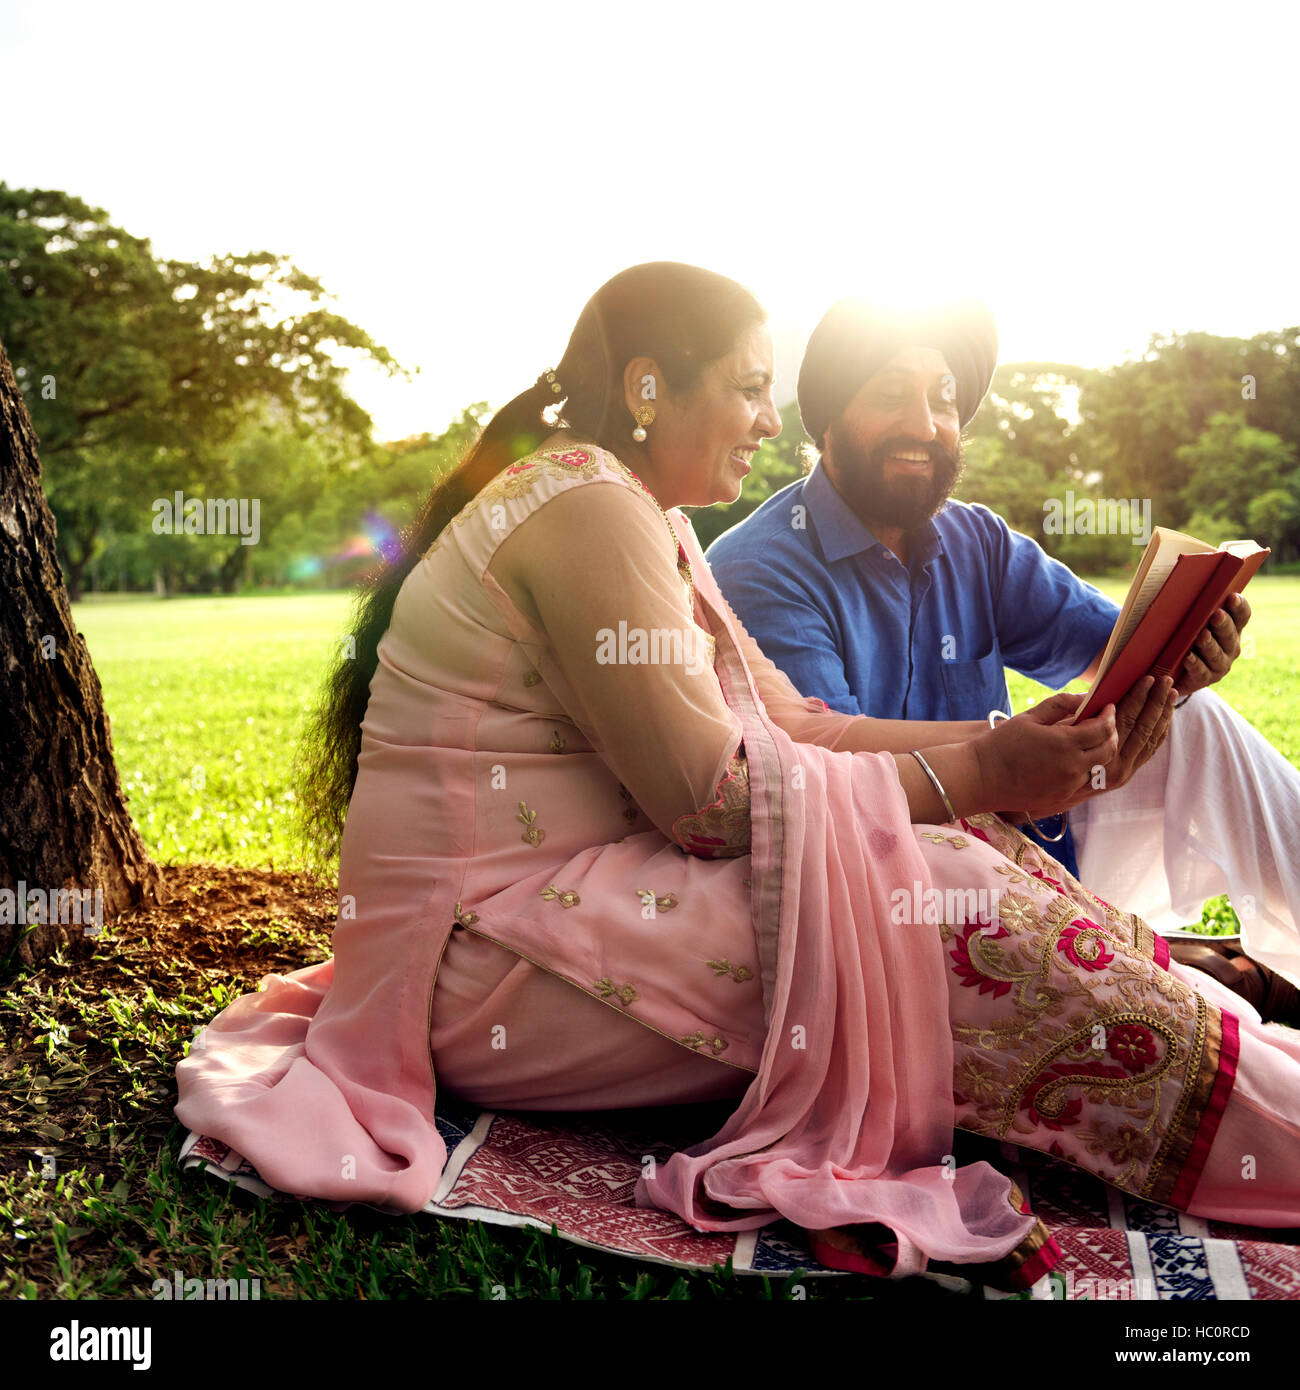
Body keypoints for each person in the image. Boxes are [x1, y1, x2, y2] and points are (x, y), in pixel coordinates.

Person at [174, 264, 1300, 1289]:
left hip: (560, 912)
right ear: (650, 385)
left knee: (962, 869)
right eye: (753, 387)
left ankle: (1240, 1053)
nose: (771, 420)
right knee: (969, 933)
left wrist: (995, 766)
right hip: (485, 961)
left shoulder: (631, 511)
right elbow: (712, 805)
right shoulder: (585, 508)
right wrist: (978, 769)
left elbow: (796, 724)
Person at [704, 296, 1300, 1015]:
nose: (924, 425)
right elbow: (834, 783)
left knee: (1194, 720)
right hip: (906, 888)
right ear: (829, 413)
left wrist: (1191, 647)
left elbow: (1115, 653)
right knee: (1194, 1012)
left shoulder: (973, 539)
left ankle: (1195, 960)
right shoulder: (760, 567)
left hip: (1035, 826)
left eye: (944, 399)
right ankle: (1195, 970)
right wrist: (999, 767)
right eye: (891, 395)